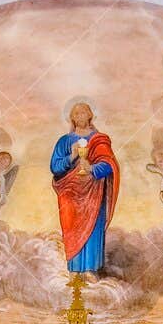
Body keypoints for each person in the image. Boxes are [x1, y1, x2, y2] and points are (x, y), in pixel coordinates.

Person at [50, 102, 120, 274]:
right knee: (72, 229)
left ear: (90, 115)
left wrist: (92, 169)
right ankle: (74, 272)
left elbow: (109, 164)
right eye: (76, 113)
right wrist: (72, 156)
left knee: (93, 229)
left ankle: (92, 271)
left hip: (94, 193)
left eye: (83, 112)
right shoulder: (64, 141)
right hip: (70, 193)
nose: (80, 115)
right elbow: (55, 167)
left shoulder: (100, 139)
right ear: (72, 118)